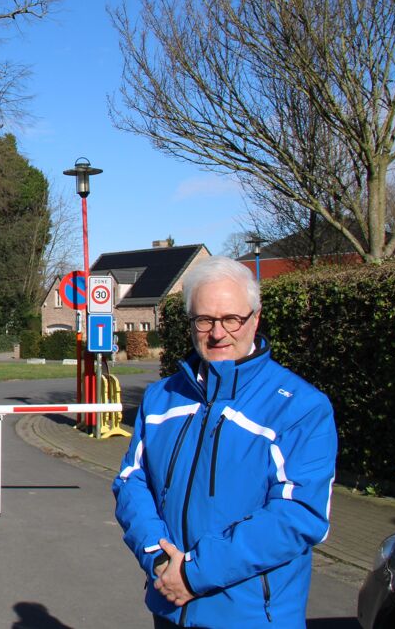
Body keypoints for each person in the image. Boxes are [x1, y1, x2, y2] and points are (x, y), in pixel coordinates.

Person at [112, 256, 337, 628]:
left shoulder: (300, 407)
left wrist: (194, 573)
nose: (218, 333)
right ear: (190, 322)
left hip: (250, 617)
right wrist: (160, 559)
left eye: (232, 319)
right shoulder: (162, 397)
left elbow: (300, 516)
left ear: (255, 317)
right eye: (205, 320)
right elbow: (132, 481)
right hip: (168, 605)